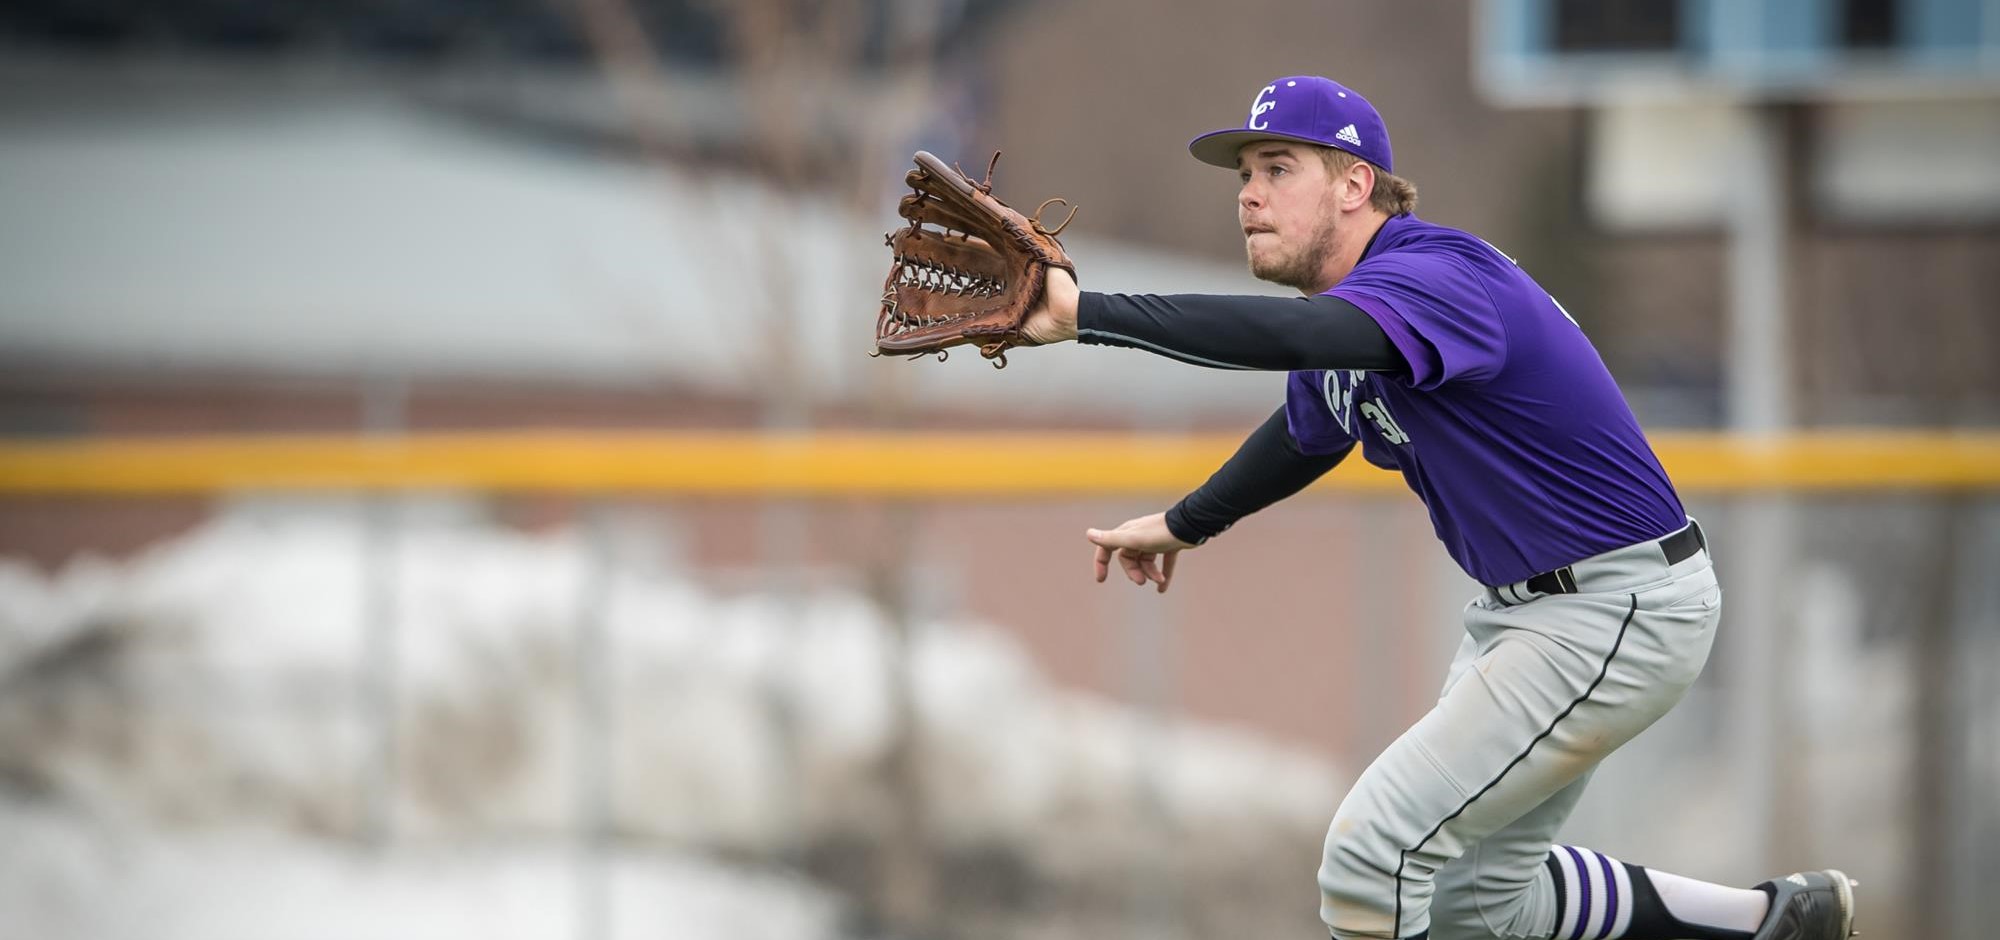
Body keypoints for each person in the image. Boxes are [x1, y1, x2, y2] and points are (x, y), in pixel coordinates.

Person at [1016, 75, 1855, 940]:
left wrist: (1090, 314)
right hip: (1538, 616)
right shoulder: (1360, 315)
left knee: (1372, 850)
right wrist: (1184, 522)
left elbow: (1295, 341)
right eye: (1242, 177)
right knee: (1477, 899)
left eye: (1277, 166)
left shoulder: (1437, 276)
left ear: (1354, 185)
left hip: (1617, 608)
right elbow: (1308, 432)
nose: (1249, 195)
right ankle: (1772, 924)